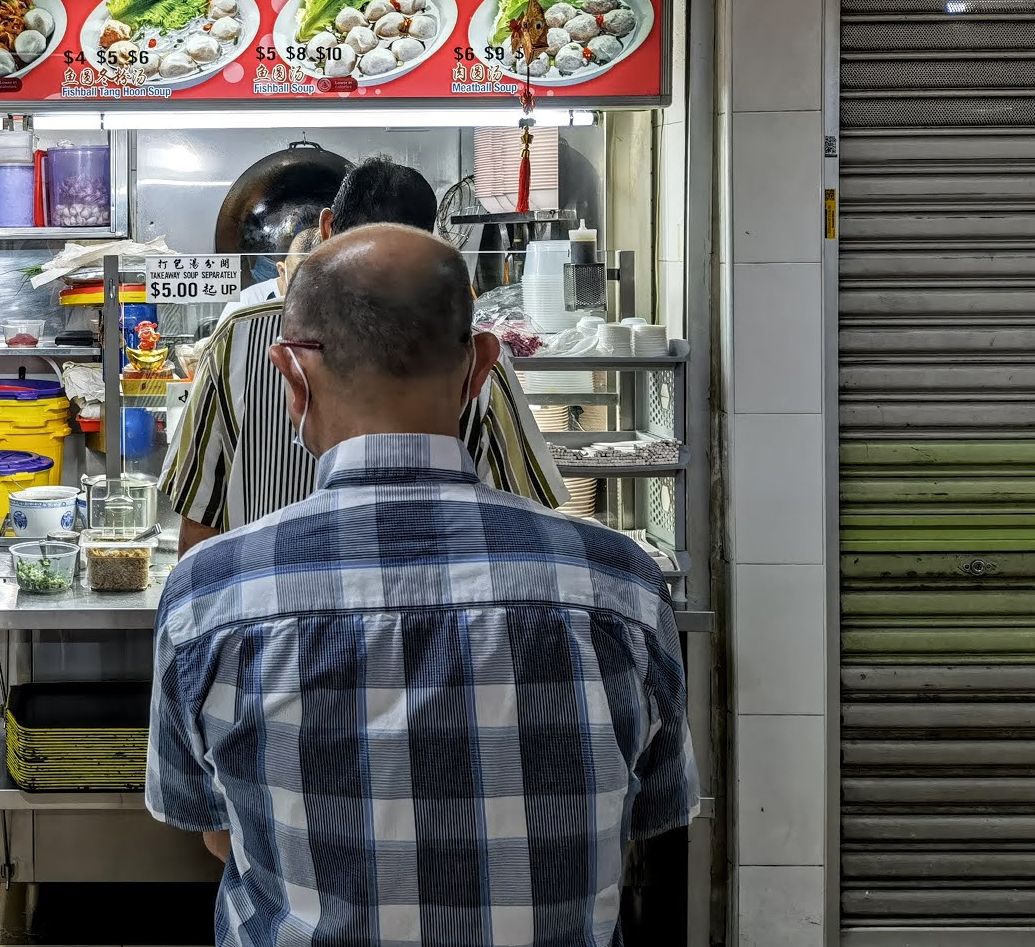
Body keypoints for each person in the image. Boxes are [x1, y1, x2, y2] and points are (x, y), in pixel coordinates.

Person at [146, 225, 698, 945]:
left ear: (293, 376)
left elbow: (218, 833)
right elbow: (646, 817)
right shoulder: (619, 587)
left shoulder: (208, 599)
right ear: (481, 369)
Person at [163, 156, 564, 554]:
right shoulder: (469, 350)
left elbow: (199, 514)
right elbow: (527, 512)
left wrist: (205, 592)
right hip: (436, 603)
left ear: (325, 228)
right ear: (430, 243)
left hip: (264, 595)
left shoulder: (239, 337)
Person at [214, 224, 321, 326]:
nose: (309, 292)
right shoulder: (246, 303)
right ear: (282, 272)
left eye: (319, 282)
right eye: (300, 281)